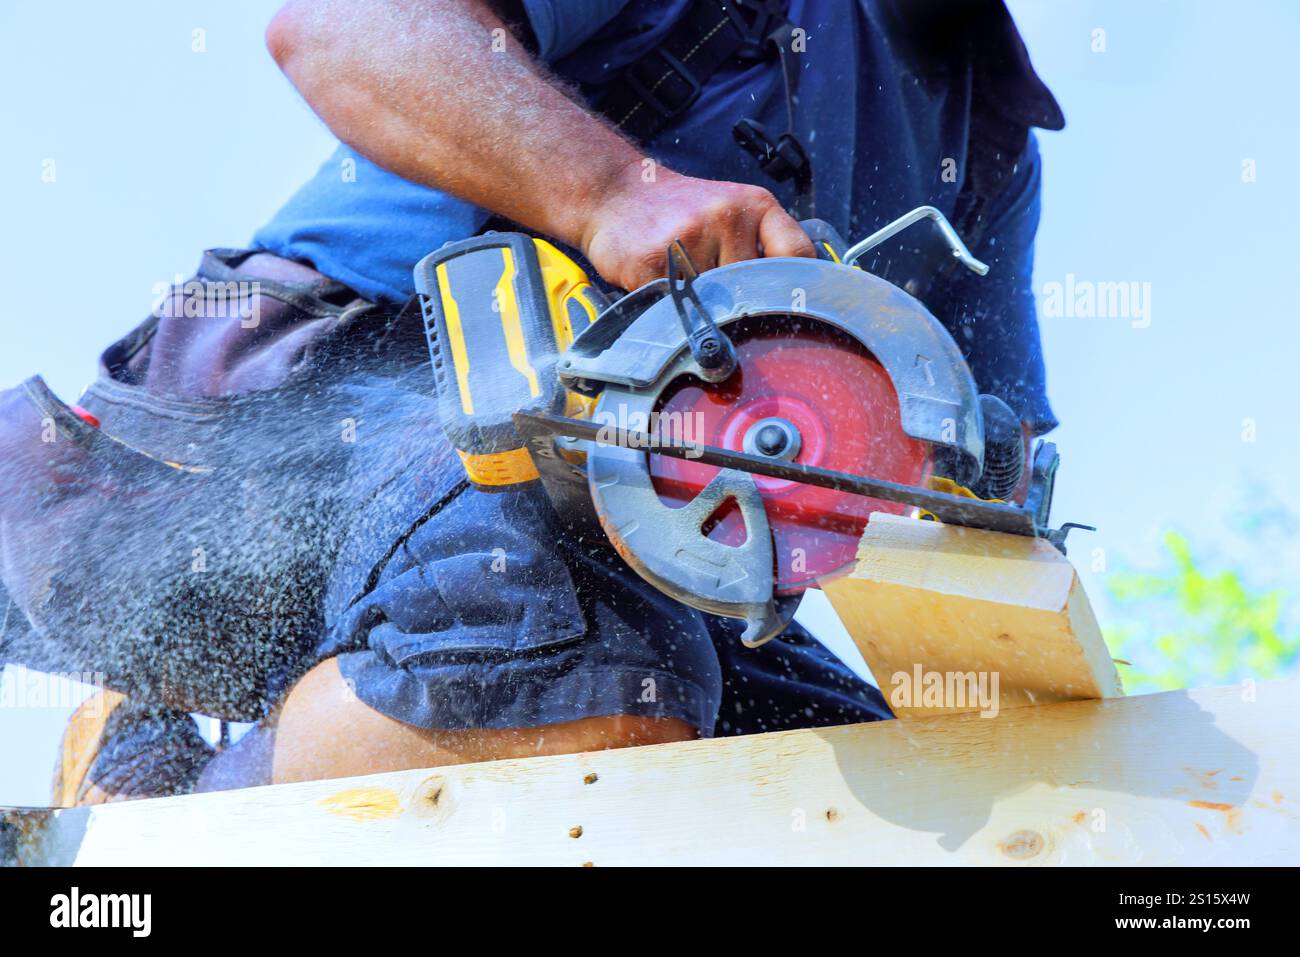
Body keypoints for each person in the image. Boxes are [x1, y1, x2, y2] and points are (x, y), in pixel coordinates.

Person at [0, 0, 1064, 801]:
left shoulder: (987, 131)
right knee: (578, 675)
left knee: (861, 792)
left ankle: (263, 737)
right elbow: (339, 28)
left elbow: (973, 472)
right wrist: (612, 194)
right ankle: (149, 821)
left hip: (636, 536)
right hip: (272, 432)